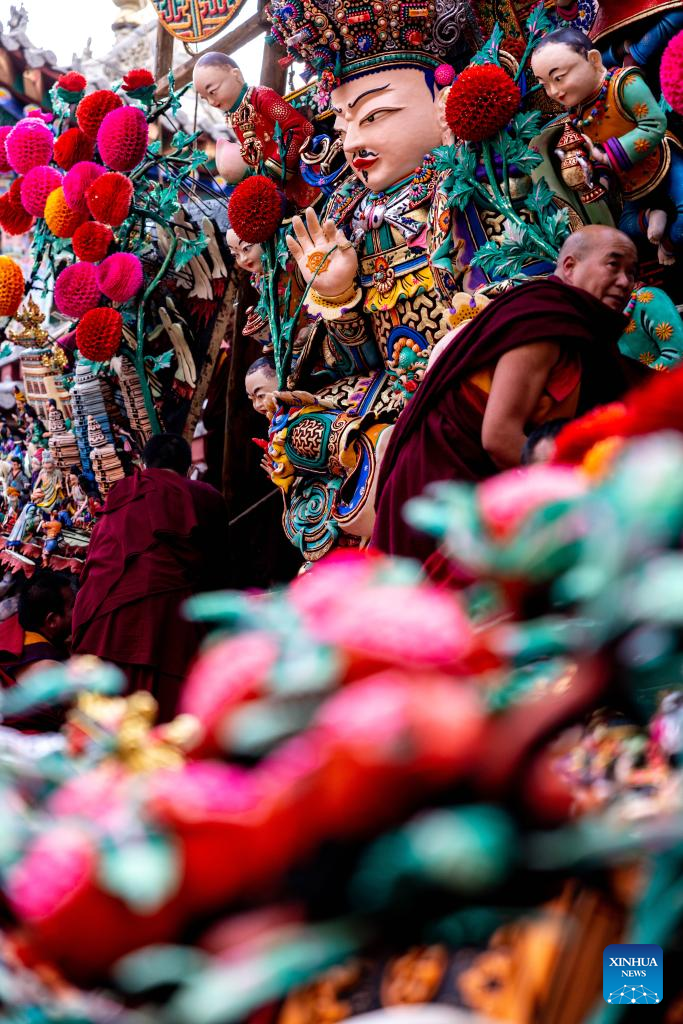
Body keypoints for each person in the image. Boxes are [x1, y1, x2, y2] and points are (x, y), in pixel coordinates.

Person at [372, 226, 642, 561]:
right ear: (569, 265)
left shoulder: (576, 332)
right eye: (613, 265)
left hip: (465, 483)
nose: (624, 282)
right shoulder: (545, 319)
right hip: (438, 486)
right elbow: (499, 437)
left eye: (632, 273)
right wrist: (574, 497)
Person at [72, 433, 230, 721]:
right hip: (170, 616)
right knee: (170, 715)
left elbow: (97, 556)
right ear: (186, 467)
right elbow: (221, 565)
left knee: (109, 716)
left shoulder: (120, 495)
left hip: (105, 615)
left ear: (143, 464)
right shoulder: (204, 497)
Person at [0, 569, 75, 732]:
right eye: (73, 606)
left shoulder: (10, 630)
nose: (78, 612)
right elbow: (80, 720)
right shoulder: (52, 669)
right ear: (52, 620)